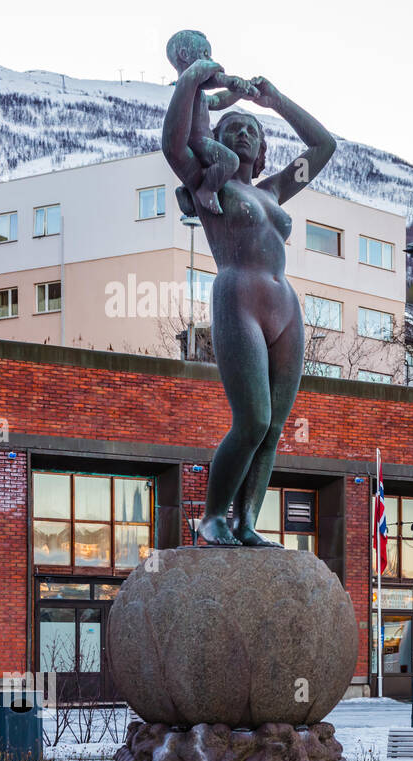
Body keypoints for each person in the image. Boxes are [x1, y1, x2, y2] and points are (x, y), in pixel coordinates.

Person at [161, 55, 336, 546]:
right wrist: (192, 79)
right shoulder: (205, 182)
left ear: (261, 150)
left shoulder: (274, 192)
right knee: (253, 418)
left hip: (285, 307)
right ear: (217, 139)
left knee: (274, 427)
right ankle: (213, 516)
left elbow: (324, 146)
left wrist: (275, 100)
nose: (242, 134)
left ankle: (246, 521)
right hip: (237, 294)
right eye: (232, 127)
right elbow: (172, 143)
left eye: (252, 131)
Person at [164, 29, 256, 216]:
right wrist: (229, 81)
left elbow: (218, 101)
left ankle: (188, 191)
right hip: (197, 141)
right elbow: (215, 80)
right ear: (184, 54)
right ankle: (207, 190)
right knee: (230, 160)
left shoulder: (198, 90)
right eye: (206, 53)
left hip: (204, 140)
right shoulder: (190, 82)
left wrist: (238, 92)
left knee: (221, 162)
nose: (210, 58)